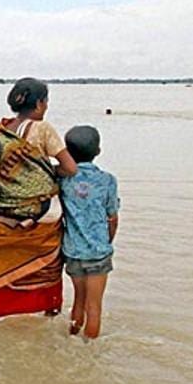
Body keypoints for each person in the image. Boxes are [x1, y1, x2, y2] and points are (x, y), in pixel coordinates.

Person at [0, 78, 77, 329]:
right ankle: (52, 320)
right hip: (41, 216)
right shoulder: (43, 129)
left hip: (6, 214)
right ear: (40, 103)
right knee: (46, 269)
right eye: (46, 101)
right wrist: (44, 177)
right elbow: (70, 168)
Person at [59, 125, 120, 338]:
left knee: (78, 301)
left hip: (72, 251)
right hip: (98, 252)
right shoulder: (107, 180)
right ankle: (90, 350)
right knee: (94, 307)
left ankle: (72, 336)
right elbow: (112, 217)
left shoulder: (63, 178)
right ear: (98, 150)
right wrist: (107, 241)